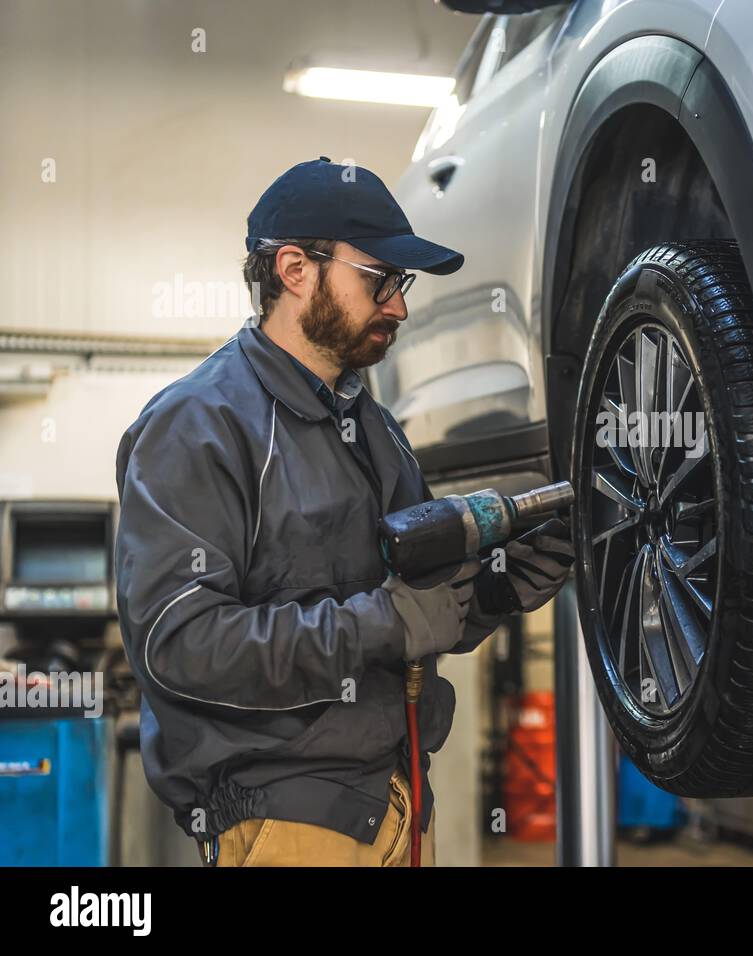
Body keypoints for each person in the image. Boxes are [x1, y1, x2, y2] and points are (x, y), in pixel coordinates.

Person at [114, 157, 573, 866]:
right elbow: (181, 646)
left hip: (397, 802)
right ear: (294, 269)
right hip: (286, 824)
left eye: (402, 283)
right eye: (379, 279)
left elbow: (409, 606)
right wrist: (384, 622)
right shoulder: (198, 424)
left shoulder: (376, 428)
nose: (399, 306)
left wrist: (493, 590)